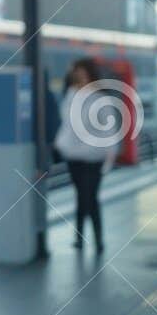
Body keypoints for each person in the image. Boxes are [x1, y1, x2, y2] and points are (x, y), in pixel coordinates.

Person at [52, 57, 114, 252]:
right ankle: (79, 238)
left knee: (90, 197)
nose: (80, 78)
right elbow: (66, 122)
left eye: (83, 74)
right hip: (74, 156)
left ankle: (98, 239)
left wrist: (110, 156)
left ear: (91, 75)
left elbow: (110, 129)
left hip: (94, 156)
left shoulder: (100, 98)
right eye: (76, 74)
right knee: (80, 195)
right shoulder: (71, 95)